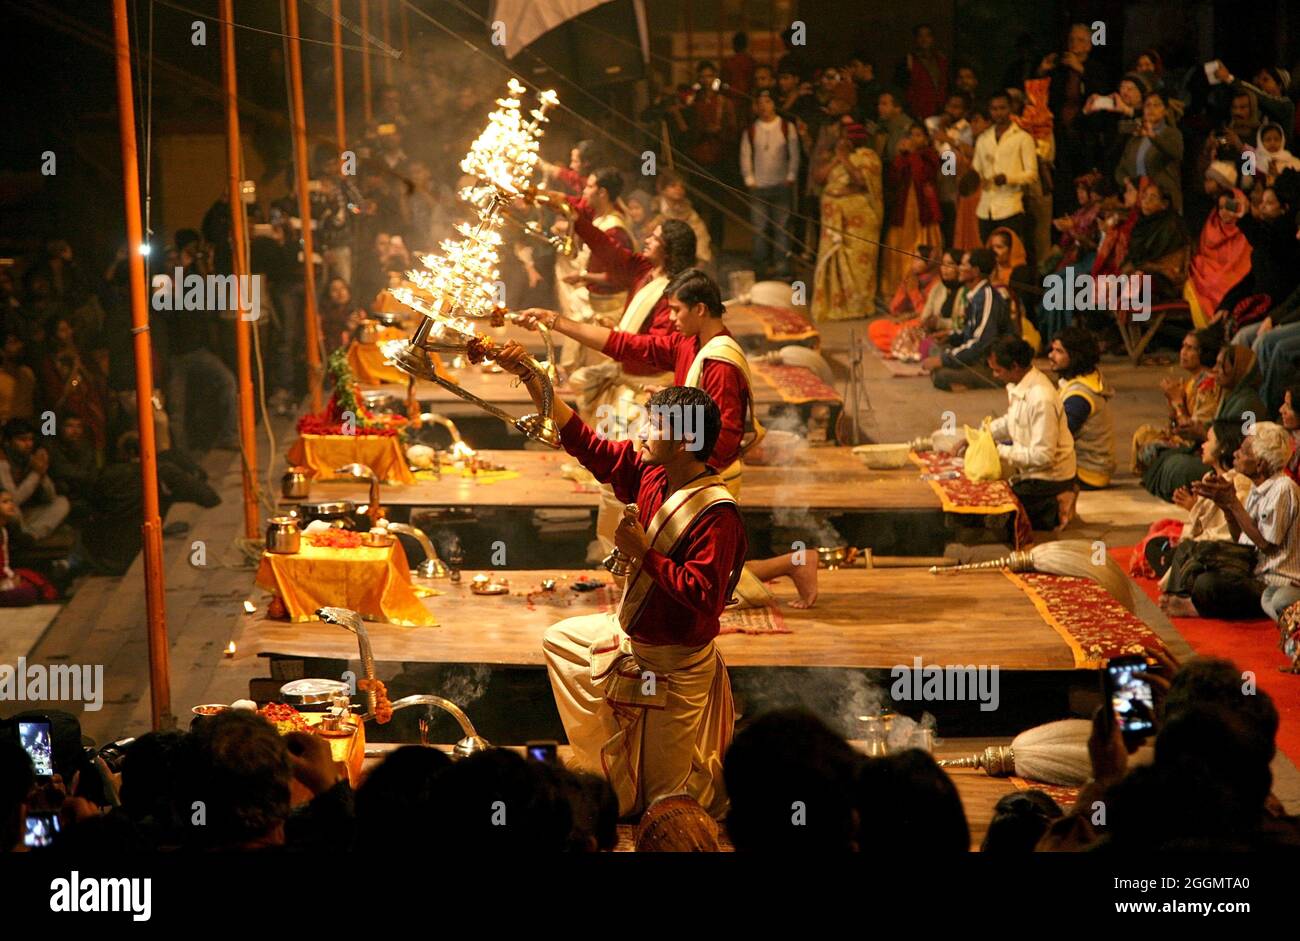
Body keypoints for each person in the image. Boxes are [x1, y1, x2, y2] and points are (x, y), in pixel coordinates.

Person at [498, 359, 744, 819]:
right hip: (634, 635)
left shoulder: (717, 515)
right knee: (560, 640)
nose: (641, 434)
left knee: (663, 804)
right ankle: (615, 742)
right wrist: (535, 379)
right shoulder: (651, 472)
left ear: (687, 440)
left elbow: (704, 596)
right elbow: (586, 443)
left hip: (676, 663)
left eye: (654, 427)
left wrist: (644, 552)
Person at [1163, 422, 1300, 621]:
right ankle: (1183, 597)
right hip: (1252, 571)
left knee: (1208, 584)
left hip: (1275, 581)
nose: (1235, 454)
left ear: (1260, 463)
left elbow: (1265, 544)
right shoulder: (1258, 487)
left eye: (1244, 451)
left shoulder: (1283, 488)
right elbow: (1241, 540)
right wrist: (1226, 508)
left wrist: (1233, 502)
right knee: (1189, 551)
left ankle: (1195, 605)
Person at [973, 336, 1077, 531]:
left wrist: (999, 451)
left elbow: (1043, 456)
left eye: (998, 370)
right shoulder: (1019, 385)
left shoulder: (1041, 398)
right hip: (1029, 471)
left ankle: (1057, 504)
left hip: (1049, 478)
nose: (995, 375)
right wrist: (981, 436)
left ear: (1015, 367)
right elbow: (1011, 422)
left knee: (993, 515)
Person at [1142, 344, 1265, 501]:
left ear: (1236, 370)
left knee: (1177, 467)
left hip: (1232, 464)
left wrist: (1203, 433)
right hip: (1214, 452)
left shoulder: (1249, 404)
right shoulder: (1230, 394)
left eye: (1222, 366)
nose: (1215, 370)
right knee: (1164, 455)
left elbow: (1244, 441)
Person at [809, 121, 883, 321]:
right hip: (833, 221)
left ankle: (857, 306)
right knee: (833, 261)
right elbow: (818, 177)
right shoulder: (831, 156)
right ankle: (834, 305)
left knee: (858, 266)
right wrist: (836, 159)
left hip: (860, 224)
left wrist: (845, 159)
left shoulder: (869, 157)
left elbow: (861, 181)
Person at [922, 248, 1011, 390]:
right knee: (936, 348)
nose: (959, 268)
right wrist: (950, 335)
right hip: (977, 356)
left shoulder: (987, 296)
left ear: (975, 271)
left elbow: (982, 342)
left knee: (942, 375)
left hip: (990, 363)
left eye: (963, 265)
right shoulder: (975, 295)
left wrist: (943, 360)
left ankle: (979, 380)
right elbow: (970, 331)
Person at [740, 89, 800, 279]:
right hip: (759, 187)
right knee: (759, 231)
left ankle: (782, 268)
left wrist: (791, 175)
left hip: (781, 185)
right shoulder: (751, 130)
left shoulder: (786, 126)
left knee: (782, 229)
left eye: (768, 102)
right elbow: (745, 156)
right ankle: (761, 269)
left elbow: (794, 153)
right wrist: (750, 179)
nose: (764, 106)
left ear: (774, 104)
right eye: (760, 103)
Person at [881, 123, 943, 300]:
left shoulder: (930, 155)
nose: (914, 139)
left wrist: (914, 154)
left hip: (923, 211)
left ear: (926, 139)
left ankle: (921, 291)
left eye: (918, 135)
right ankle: (898, 290)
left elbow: (922, 176)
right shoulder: (903, 156)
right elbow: (893, 178)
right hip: (902, 210)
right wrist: (901, 155)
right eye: (911, 135)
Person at [972, 92, 1038, 259]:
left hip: (1010, 206)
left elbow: (1032, 174)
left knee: (1012, 256)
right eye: (994, 109)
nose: (998, 113)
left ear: (1011, 108)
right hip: (985, 208)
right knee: (988, 256)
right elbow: (976, 170)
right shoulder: (983, 139)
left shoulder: (1023, 138)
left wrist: (1008, 178)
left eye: (1002, 108)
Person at [1049, 326, 1116, 490]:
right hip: (1091, 468)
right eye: (1052, 350)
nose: (1051, 355)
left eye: (1059, 351)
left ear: (1075, 356)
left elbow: (1053, 435)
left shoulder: (1079, 396)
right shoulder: (1086, 378)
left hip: (1088, 472)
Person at [1114, 92, 1184, 213]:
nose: (1151, 109)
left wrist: (1152, 136)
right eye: (1147, 105)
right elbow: (1120, 169)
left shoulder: (1171, 134)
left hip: (1163, 200)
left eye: (1156, 105)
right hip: (1139, 199)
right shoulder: (1135, 139)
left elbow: (1175, 152)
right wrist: (1128, 183)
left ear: (1165, 111)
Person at [0, 418, 69, 541]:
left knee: (62, 502)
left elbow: (50, 497)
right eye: (22, 440)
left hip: (24, 515)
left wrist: (42, 473)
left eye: (30, 439)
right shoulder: (2, 461)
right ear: (7, 442)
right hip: (7, 515)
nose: (28, 444)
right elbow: (13, 500)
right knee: (12, 510)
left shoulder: (29, 458)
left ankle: (30, 536)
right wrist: (36, 474)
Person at [893, 23, 949, 122]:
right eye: (920, 36)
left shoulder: (941, 60)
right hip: (918, 113)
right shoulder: (908, 61)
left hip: (940, 111)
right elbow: (901, 88)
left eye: (928, 36)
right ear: (915, 39)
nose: (924, 39)